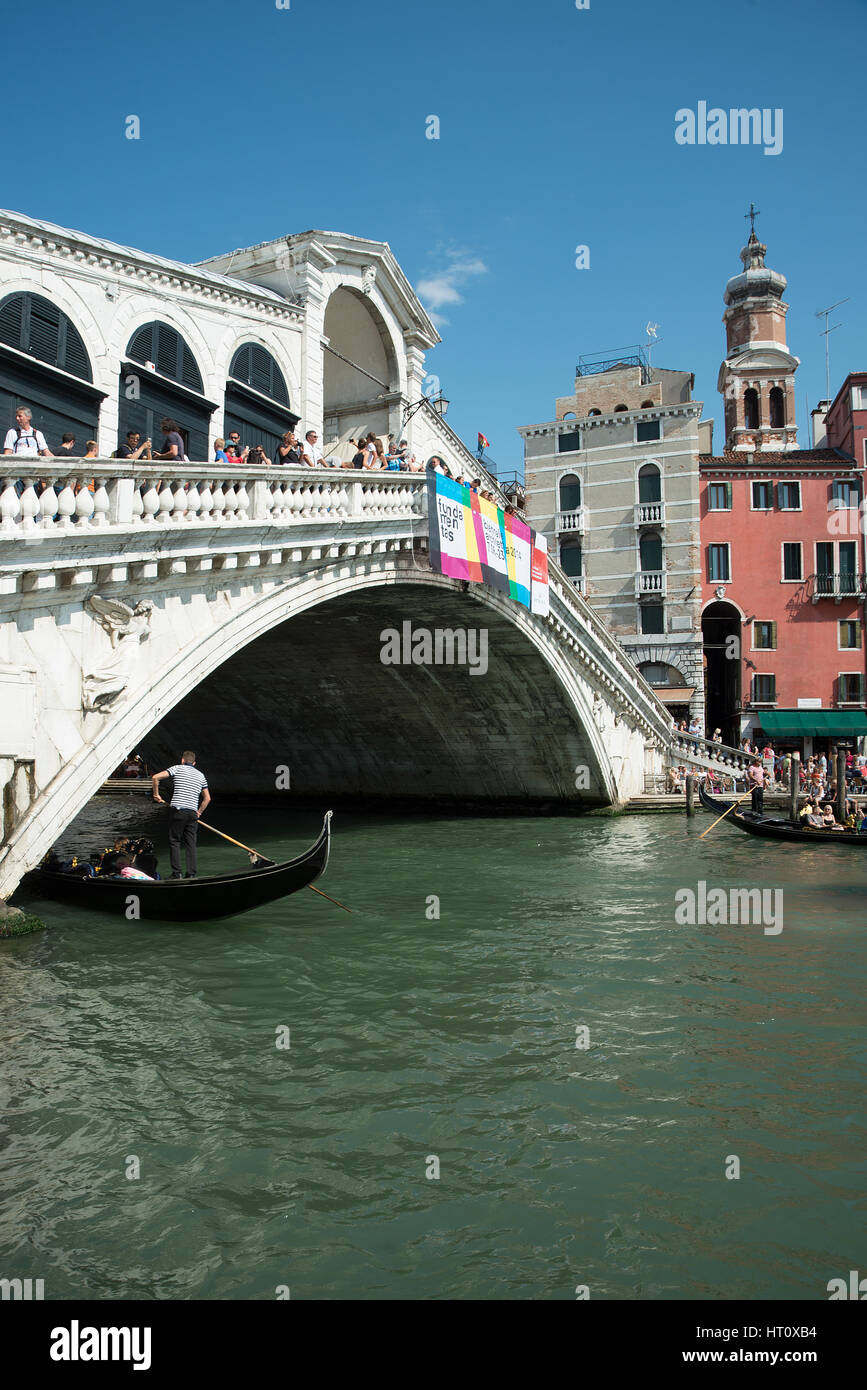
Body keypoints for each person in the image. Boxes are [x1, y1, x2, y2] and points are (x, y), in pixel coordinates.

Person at [151, 750, 210, 879]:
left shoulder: (177, 768)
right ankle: (191, 874)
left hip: (178, 811)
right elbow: (207, 798)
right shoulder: (201, 776)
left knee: (175, 841)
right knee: (191, 844)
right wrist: (199, 812)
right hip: (192, 814)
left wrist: (156, 794)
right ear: (194, 763)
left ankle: (177, 873)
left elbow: (155, 777)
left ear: (182, 760)